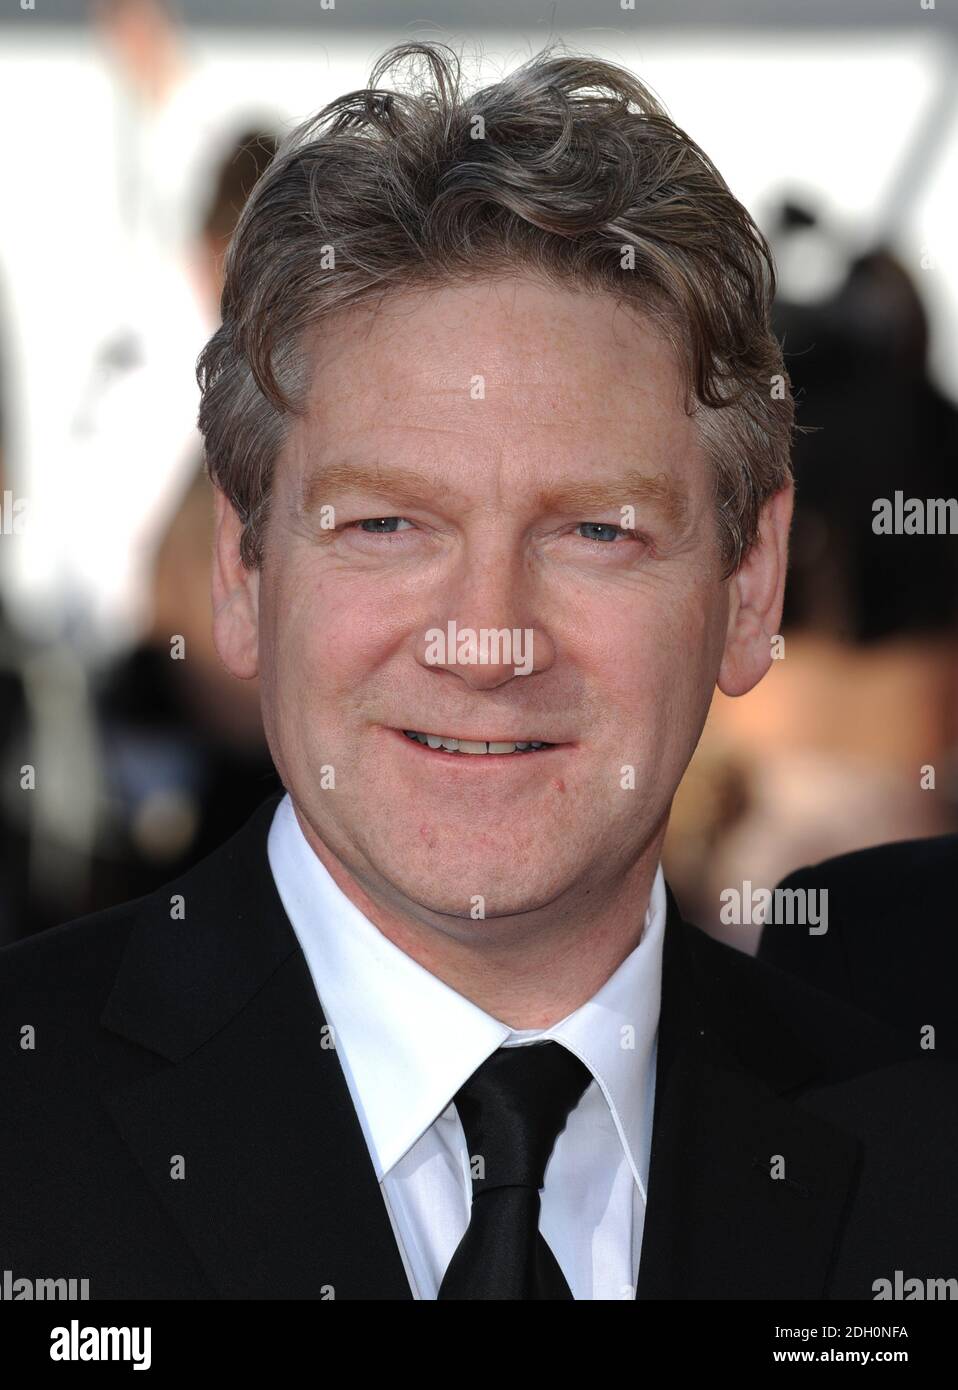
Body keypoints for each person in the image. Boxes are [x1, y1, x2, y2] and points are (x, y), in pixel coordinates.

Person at [2, 40, 956, 1302]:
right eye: (387, 525)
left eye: (593, 531)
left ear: (748, 584)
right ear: (239, 571)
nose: (487, 637)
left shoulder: (917, 1149)